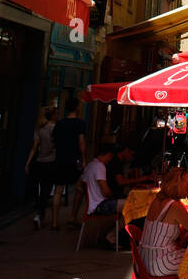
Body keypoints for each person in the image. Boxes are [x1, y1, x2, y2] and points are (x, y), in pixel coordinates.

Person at [51, 98, 87, 231]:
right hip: (74, 160)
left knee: (58, 190)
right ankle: (72, 216)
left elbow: (54, 142)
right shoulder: (80, 123)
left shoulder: (59, 123)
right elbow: (81, 141)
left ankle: (55, 222)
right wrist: (83, 158)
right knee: (79, 187)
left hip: (60, 159)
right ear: (77, 108)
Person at [81, 142, 125, 246]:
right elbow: (105, 191)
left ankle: (112, 235)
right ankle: (112, 237)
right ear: (108, 155)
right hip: (100, 205)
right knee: (130, 206)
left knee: (124, 203)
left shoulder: (90, 165)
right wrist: (113, 196)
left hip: (93, 204)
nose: (110, 160)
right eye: (110, 157)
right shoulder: (100, 166)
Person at [25, 106, 57, 229]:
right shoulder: (54, 129)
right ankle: (39, 214)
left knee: (40, 188)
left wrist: (28, 163)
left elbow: (34, 147)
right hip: (51, 162)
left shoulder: (40, 129)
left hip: (39, 162)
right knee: (46, 189)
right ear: (53, 115)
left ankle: (39, 214)